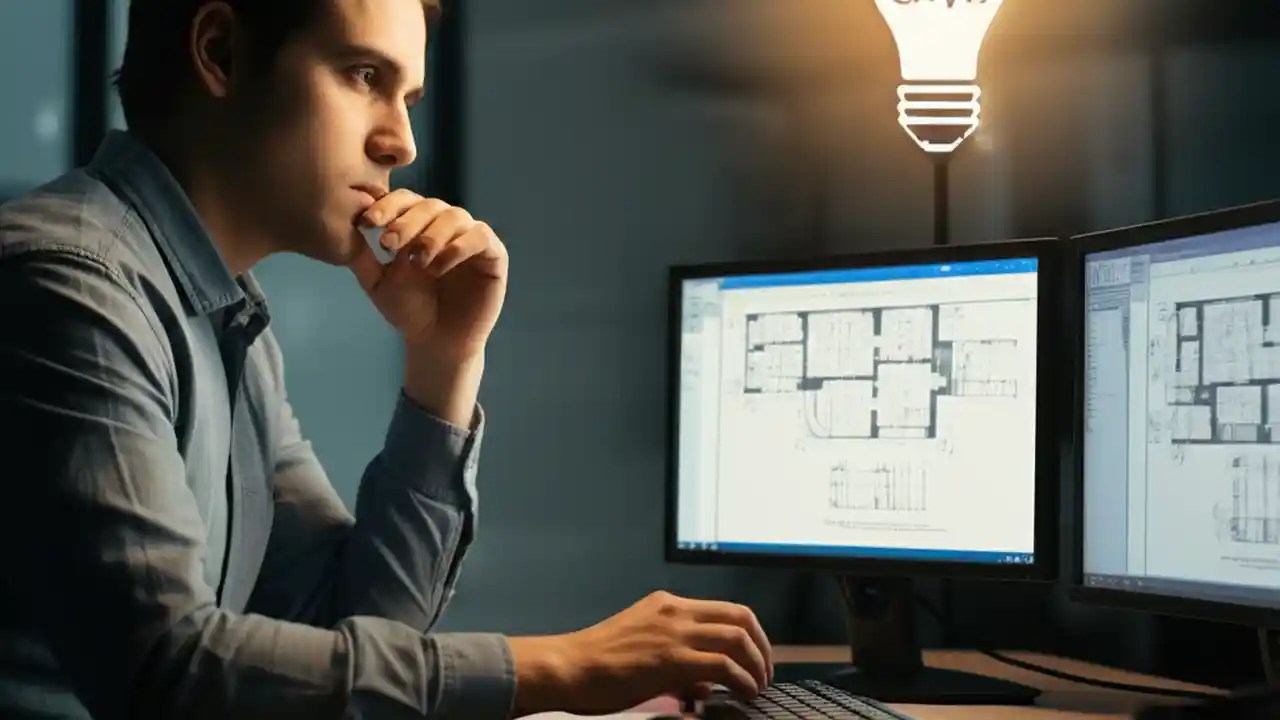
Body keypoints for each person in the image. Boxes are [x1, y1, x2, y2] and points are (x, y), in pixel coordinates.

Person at [0, 0, 774, 718]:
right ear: (221, 52)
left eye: (407, 99)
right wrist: (559, 666)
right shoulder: (74, 286)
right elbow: (166, 669)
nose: (401, 142)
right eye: (364, 76)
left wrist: (444, 362)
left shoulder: (225, 318)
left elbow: (360, 622)